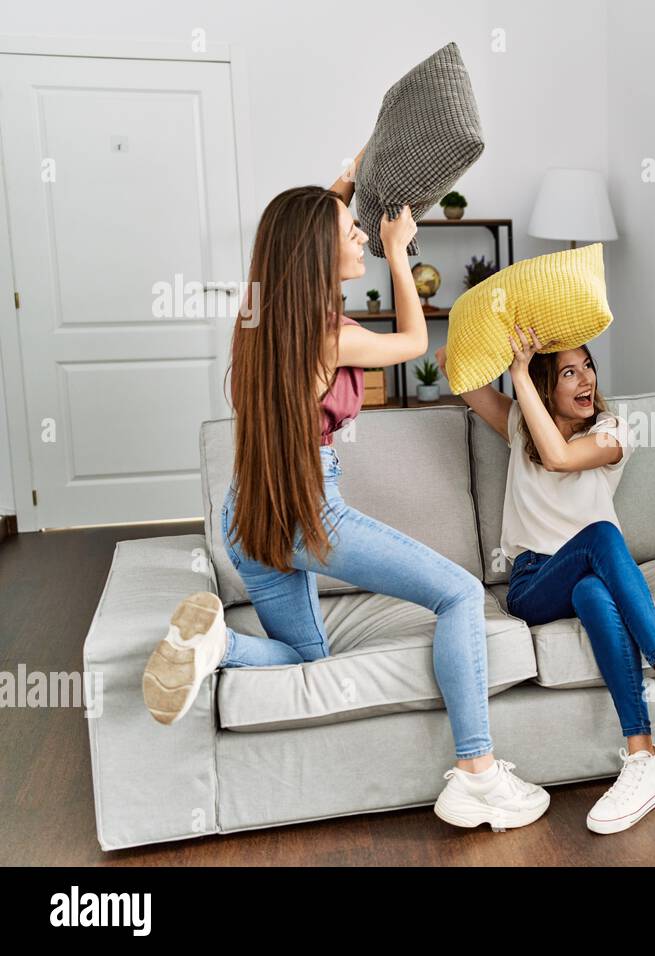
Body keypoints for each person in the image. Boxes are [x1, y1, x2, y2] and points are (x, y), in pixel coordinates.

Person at [141, 146, 549, 832]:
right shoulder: (338, 337)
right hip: (306, 511)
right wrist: (397, 252)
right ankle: (477, 775)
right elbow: (417, 341)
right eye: (349, 231)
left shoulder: (258, 321)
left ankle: (216, 646)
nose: (358, 232)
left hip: (247, 517)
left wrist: (349, 180)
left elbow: (294, 232)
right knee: (457, 592)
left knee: (305, 658)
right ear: (318, 255)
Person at [442, 329, 655, 833]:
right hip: (534, 584)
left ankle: (642, 758)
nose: (586, 379)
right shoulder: (521, 424)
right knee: (601, 534)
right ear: (544, 387)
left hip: (589, 576)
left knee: (592, 589)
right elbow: (451, 361)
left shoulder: (614, 431)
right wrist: (516, 351)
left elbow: (562, 456)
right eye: (567, 372)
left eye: (588, 366)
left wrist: (525, 380)